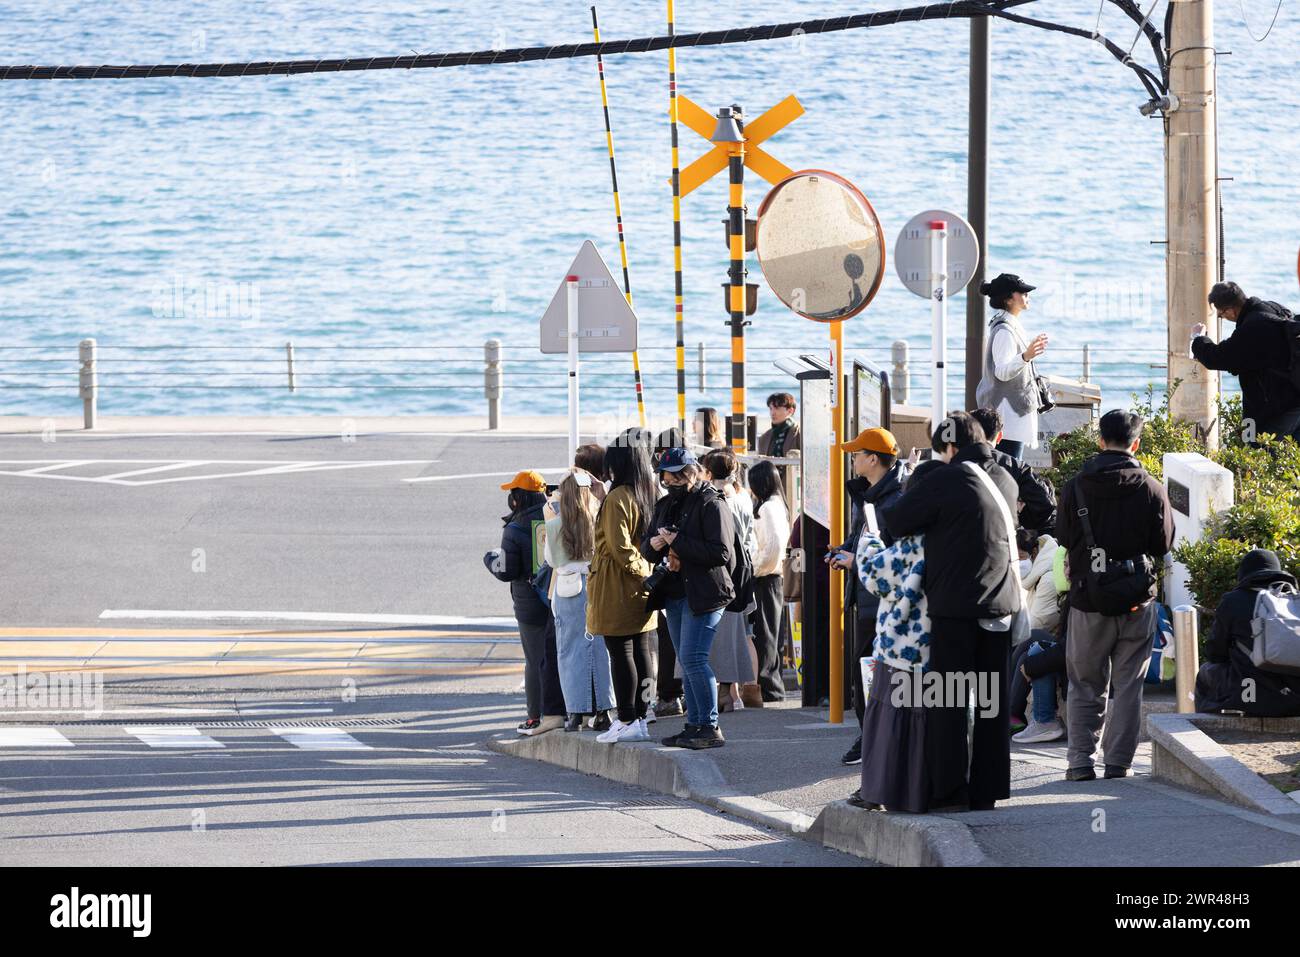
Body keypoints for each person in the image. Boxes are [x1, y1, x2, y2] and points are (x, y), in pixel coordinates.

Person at [882, 412, 1021, 811]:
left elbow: (897, 521)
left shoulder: (948, 478)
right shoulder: (1005, 480)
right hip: (1001, 605)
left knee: (949, 701)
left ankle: (948, 790)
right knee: (992, 703)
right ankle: (988, 790)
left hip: (956, 607)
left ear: (949, 447)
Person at [1055, 409, 1175, 781]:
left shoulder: (1075, 486)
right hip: (1137, 599)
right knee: (1128, 685)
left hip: (1089, 599)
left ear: (1100, 440)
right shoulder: (1152, 488)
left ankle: (1079, 762)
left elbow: (1063, 536)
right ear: (1135, 444)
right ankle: (1118, 763)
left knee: (1086, 683)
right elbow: (1163, 543)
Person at [849, 457, 943, 812]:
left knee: (889, 725)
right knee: (924, 729)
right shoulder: (953, 532)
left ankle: (881, 792)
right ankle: (920, 794)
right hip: (939, 647)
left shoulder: (914, 538)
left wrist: (869, 539)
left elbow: (876, 575)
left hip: (901, 646)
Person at [647, 448, 736, 749]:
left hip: (705, 592)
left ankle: (709, 726)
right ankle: (694, 725)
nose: (671, 480)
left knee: (695, 659)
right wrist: (655, 543)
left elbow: (721, 552)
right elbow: (646, 549)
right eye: (667, 475)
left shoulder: (712, 503)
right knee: (686, 660)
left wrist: (676, 541)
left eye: (678, 474)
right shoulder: (665, 504)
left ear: (692, 472)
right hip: (674, 592)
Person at [829, 427, 907, 766]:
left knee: (872, 676)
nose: (853, 458)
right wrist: (843, 552)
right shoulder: (872, 494)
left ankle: (875, 741)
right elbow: (860, 540)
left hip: (882, 601)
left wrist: (854, 559)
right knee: (864, 674)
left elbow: (895, 554)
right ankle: (873, 737)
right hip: (866, 597)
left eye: (857, 454)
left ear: (873, 459)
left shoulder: (895, 498)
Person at [588, 429, 659, 744]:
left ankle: (627, 717)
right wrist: (649, 573)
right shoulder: (648, 492)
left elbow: (619, 546)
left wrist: (640, 570)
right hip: (644, 586)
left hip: (618, 584)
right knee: (642, 651)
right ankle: (642, 716)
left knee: (620, 652)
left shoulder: (618, 496)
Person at [484, 470, 566, 736]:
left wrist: (490, 559)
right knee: (558, 656)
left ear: (517, 498)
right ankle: (563, 710)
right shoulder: (557, 515)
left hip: (529, 603)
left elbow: (506, 570)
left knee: (534, 660)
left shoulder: (515, 528)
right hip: (558, 596)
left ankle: (535, 716)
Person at [544, 469, 617, 732]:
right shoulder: (598, 520)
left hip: (567, 589)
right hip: (597, 587)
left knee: (569, 652)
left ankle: (575, 712)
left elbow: (551, 561)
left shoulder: (555, 525)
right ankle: (605, 710)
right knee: (601, 650)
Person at [1192, 281, 1300, 443]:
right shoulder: (1273, 308)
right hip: (1294, 396)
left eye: (1221, 314)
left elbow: (1217, 358)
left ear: (1231, 310)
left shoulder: (1253, 328)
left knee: (1256, 450)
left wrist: (1198, 339)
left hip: (1277, 408)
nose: (1223, 317)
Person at [1196, 549, 1300, 716]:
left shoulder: (1233, 600)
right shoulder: (1295, 604)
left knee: (1205, 672)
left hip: (1249, 695)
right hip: (1295, 699)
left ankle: (1204, 726)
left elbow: (1215, 653)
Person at [975, 273, 1049, 461]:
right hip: (1008, 415)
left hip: (1011, 412)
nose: (1027, 295)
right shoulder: (1005, 331)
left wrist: (1027, 354)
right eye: (1022, 292)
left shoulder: (1009, 324)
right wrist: (1026, 356)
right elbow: (1001, 372)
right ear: (1009, 299)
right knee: (1009, 471)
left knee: (1009, 469)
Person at [969, 407, 1057, 535]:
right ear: (999, 436)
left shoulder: (952, 464)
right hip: (1000, 541)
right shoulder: (1016, 467)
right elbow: (1044, 505)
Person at [649, 428, 687, 718]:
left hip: (676, 579)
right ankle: (678, 694)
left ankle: (671, 694)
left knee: (673, 642)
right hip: (691, 582)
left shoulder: (666, 497)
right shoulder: (700, 496)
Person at [749, 459, 790, 704]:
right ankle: (772, 686)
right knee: (772, 633)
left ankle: (770, 688)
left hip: (766, 576)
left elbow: (772, 546)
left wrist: (754, 567)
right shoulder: (778, 504)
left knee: (765, 634)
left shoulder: (767, 509)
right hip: (774, 576)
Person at [757, 392, 801, 457]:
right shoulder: (764, 438)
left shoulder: (800, 434)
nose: (772, 413)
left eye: (777, 408)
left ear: (790, 411)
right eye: (771, 408)